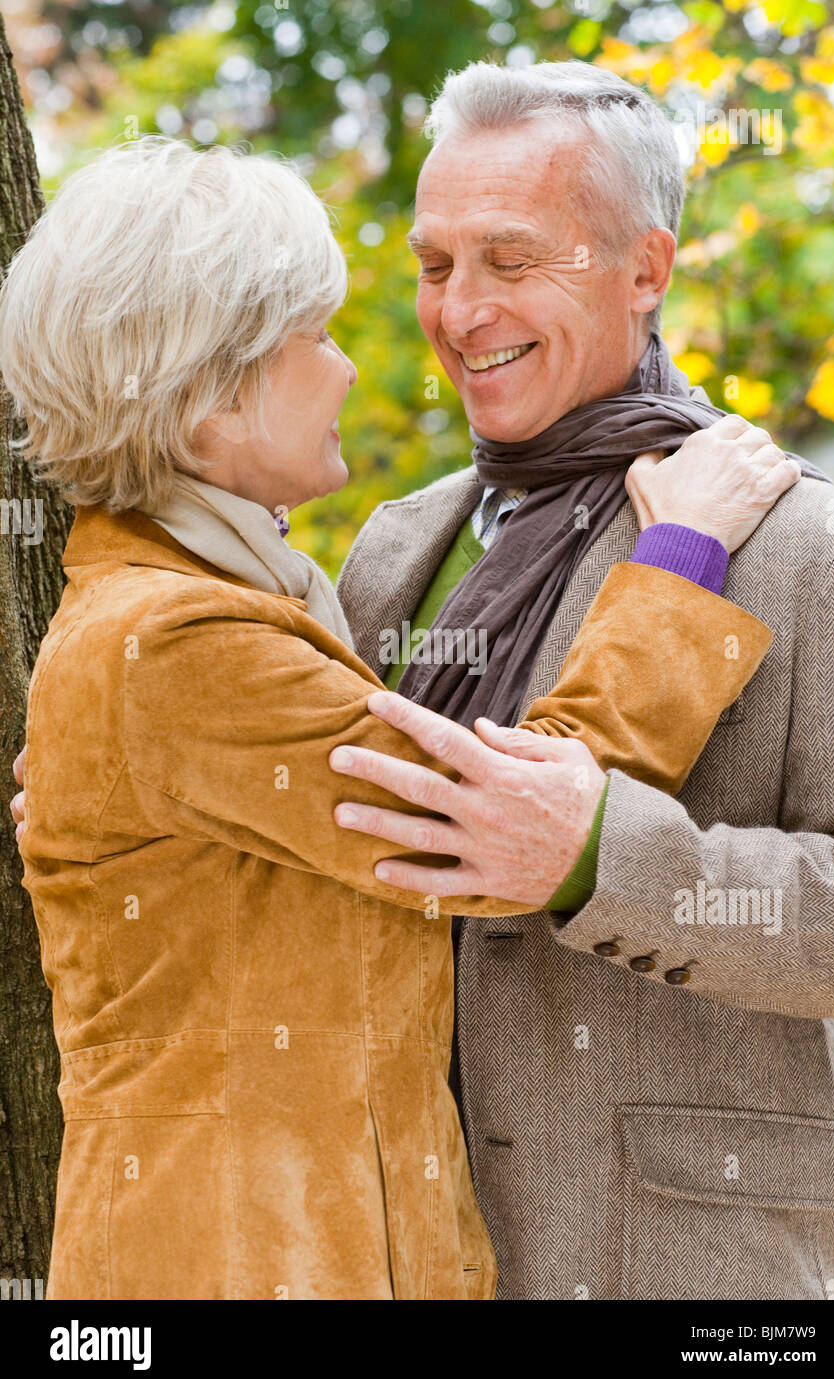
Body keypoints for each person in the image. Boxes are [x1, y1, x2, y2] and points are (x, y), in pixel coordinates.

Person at [2, 138, 790, 1300]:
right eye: (313, 340)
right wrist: (676, 562)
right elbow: (505, 823)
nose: (351, 374)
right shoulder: (177, 643)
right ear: (213, 385)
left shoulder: (221, 609)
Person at [326, 60, 834, 1301]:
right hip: (399, 1255)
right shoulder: (394, 546)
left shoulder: (807, 545)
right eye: (433, 265)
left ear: (645, 270)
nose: (460, 312)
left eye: (511, 263)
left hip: (684, 1269)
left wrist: (599, 857)